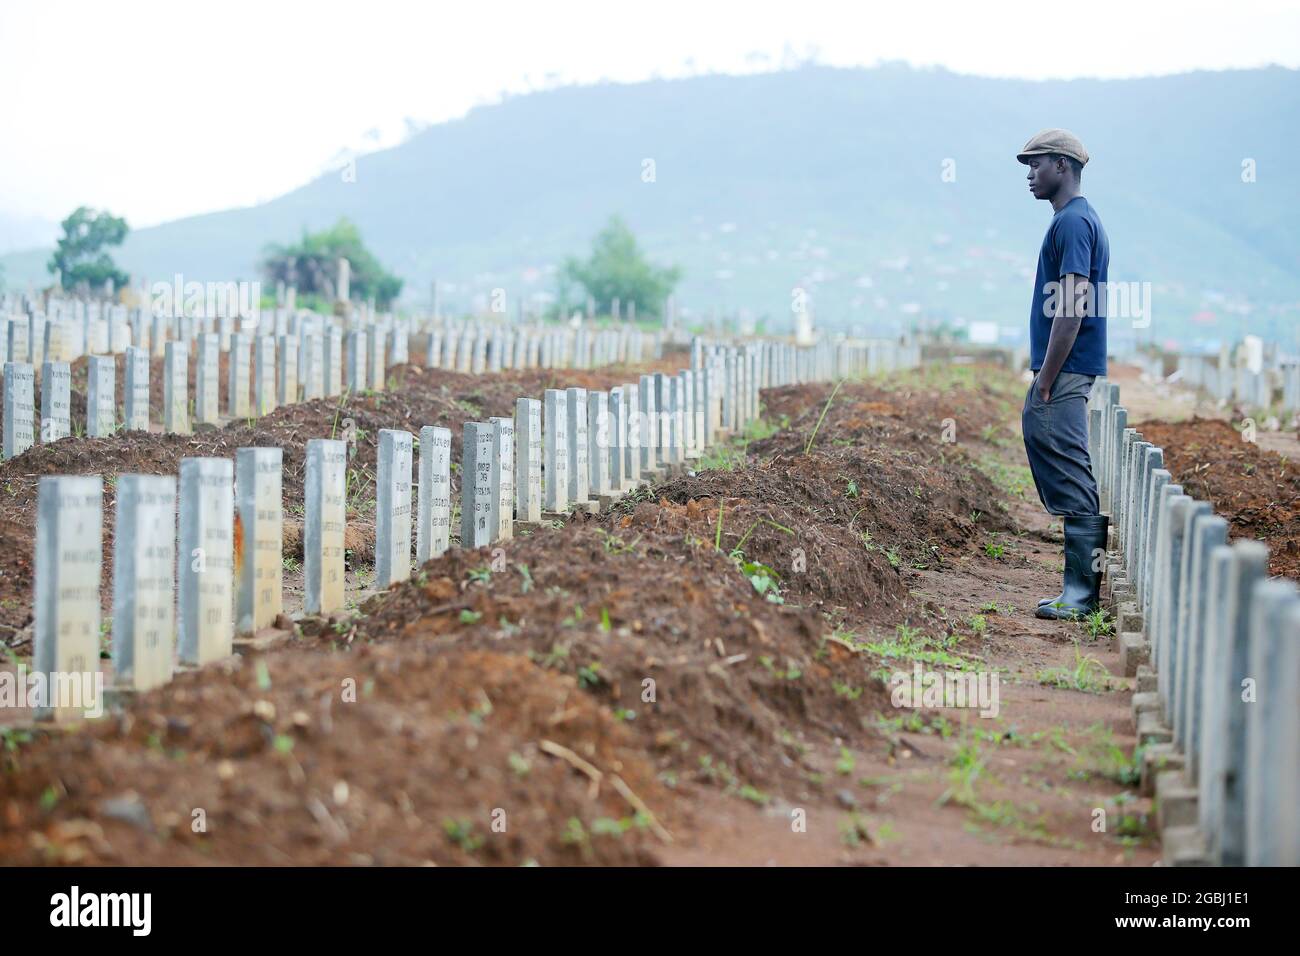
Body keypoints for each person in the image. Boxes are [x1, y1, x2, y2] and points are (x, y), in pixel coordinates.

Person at [1017, 129, 1110, 621]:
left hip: (1068, 368)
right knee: (1055, 448)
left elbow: (1071, 309)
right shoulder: (1073, 220)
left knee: (1069, 465)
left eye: (1036, 164)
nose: (1030, 175)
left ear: (1062, 164)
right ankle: (1078, 589)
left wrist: (1047, 379)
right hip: (1069, 367)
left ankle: (1081, 595)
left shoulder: (1074, 223)